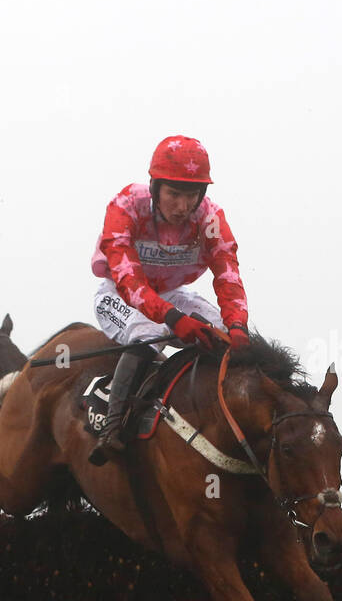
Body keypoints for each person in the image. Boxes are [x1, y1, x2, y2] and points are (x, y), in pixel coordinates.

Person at [88, 135, 250, 465]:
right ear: (155, 186)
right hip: (120, 294)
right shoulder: (125, 204)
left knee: (222, 334)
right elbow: (129, 280)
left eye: (191, 195)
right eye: (174, 194)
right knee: (147, 331)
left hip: (171, 295)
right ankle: (112, 428)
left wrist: (237, 327)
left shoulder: (211, 218)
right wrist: (173, 318)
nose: (182, 207)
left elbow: (228, 274)